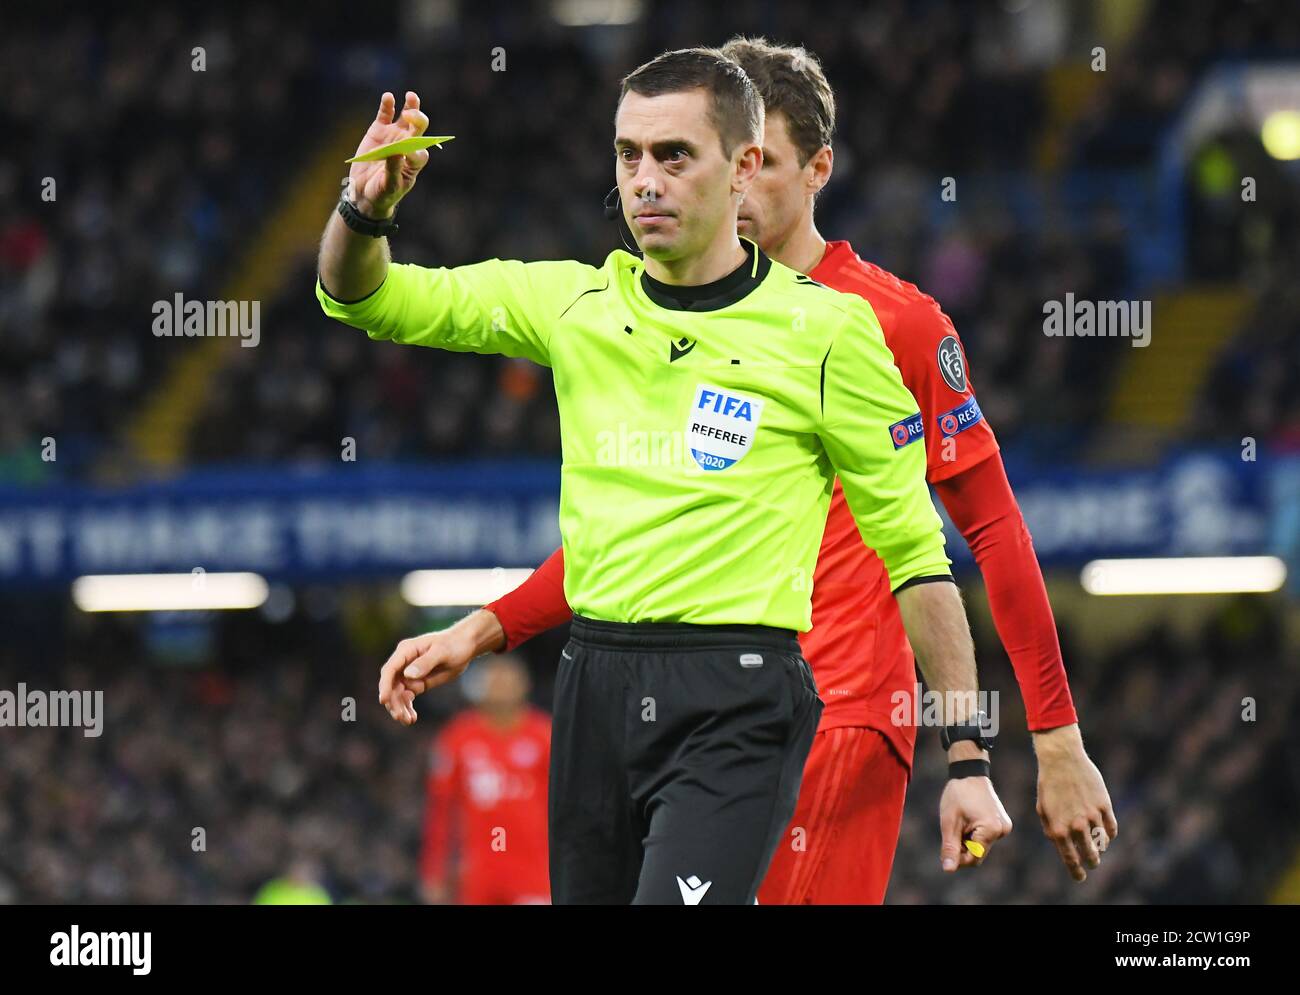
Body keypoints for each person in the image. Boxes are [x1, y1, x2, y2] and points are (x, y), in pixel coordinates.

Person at [322, 47, 1008, 904]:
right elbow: (367, 298)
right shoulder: (575, 307)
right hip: (592, 685)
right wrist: (363, 209)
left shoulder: (828, 335)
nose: (645, 179)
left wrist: (969, 758)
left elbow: (918, 561)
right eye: (628, 154)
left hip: (739, 693)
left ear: (743, 166)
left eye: (674, 154)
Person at [420, 654, 551, 905]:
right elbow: (441, 808)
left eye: (507, 679)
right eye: (493, 679)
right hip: (478, 870)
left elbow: (565, 807)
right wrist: (434, 870)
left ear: (524, 685)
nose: (500, 686)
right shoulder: (458, 737)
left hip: (533, 868)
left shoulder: (544, 736)